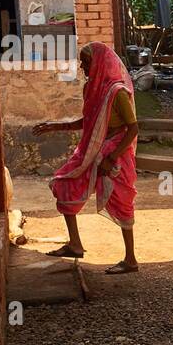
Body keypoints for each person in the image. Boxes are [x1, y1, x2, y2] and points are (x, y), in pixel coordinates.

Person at [33, 42, 140, 273]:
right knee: (64, 184)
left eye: (86, 62)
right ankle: (75, 244)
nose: (83, 66)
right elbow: (89, 121)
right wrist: (56, 127)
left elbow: (133, 129)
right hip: (92, 148)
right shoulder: (91, 89)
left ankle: (130, 259)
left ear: (100, 63)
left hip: (115, 152)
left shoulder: (117, 92)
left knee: (120, 199)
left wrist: (112, 157)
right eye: (82, 62)